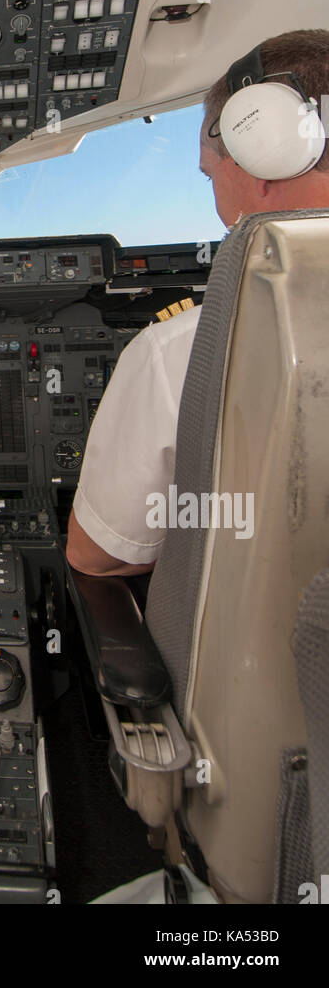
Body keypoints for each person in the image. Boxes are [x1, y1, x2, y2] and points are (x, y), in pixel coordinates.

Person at [66, 28, 329, 578]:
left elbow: (98, 556)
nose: (215, 200)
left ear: (261, 153)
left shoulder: (187, 350)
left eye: (211, 174)